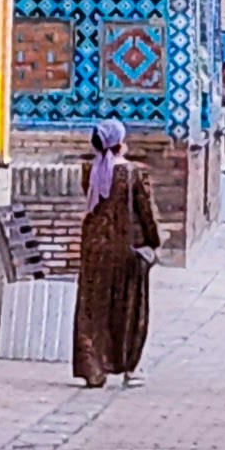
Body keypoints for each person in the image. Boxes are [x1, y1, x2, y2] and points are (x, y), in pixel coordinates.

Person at [71, 117, 162, 388]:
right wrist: (153, 243)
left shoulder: (92, 172)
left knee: (93, 309)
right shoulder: (132, 174)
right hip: (125, 251)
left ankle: (93, 368)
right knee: (128, 309)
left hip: (94, 251)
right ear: (120, 143)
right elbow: (146, 213)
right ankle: (128, 366)